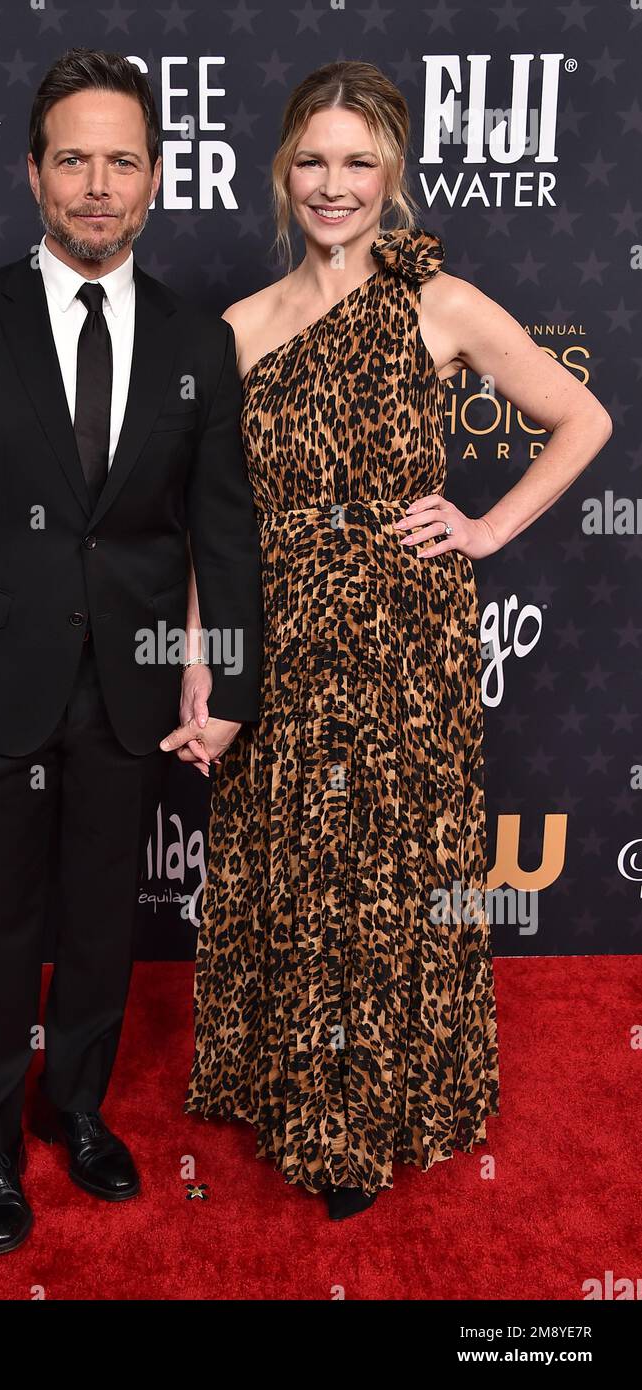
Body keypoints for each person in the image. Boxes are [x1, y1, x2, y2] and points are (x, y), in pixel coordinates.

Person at [162, 60, 612, 1221]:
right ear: (279, 172)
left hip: (405, 636)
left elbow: (581, 417)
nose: (332, 183)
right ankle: (291, 1091)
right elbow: (217, 530)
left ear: (391, 174)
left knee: (386, 872)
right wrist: (203, 671)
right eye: (311, 159)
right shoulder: (237, 328)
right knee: (293, 863)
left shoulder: (440, 303)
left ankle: (369, 1115)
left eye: (357, 161)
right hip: (282, 624)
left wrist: (482, 526)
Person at [0, 47, 262, 1255]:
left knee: (101, 921)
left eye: (123, 161)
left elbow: (222, 528)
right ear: (33, 173)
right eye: (74, 159)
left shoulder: (200, 342)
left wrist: (230, 680)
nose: (99, 184)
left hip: (131, 691)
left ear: (156, 180)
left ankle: (74, 1106)